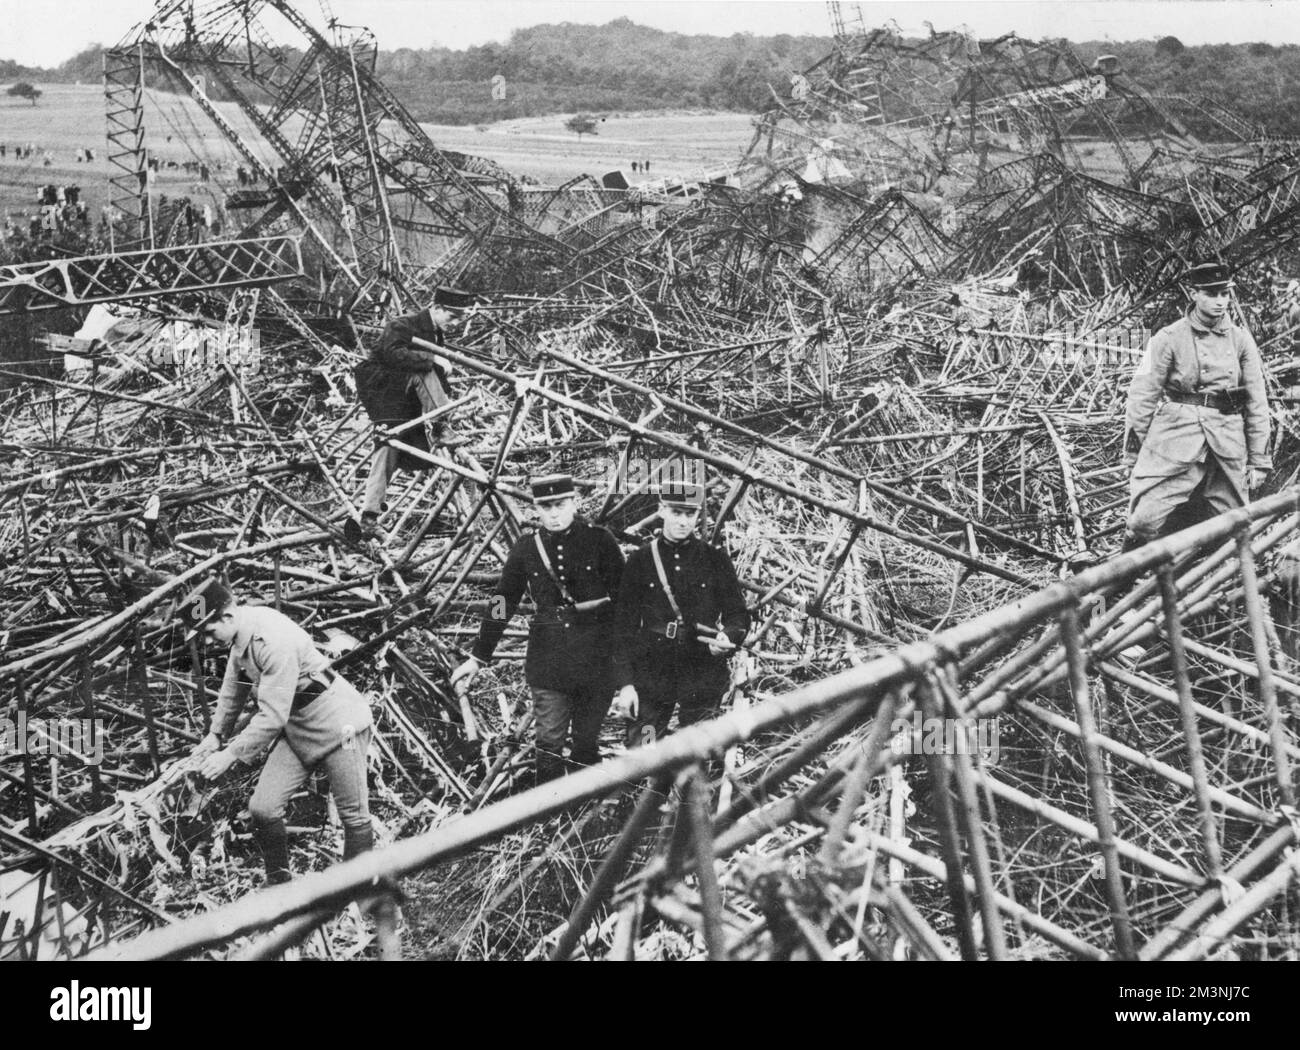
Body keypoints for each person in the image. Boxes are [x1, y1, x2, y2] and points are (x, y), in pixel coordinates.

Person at [183, 577, 374, 885]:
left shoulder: (271, 639)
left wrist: (230, 754)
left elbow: (271, 716)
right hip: (299, 727)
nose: (207, 642)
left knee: (353, 814)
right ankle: (280, 887)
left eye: (208, 632)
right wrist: (216, 734)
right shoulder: (241, 635)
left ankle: (360, 893)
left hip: (342, 724)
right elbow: (234, 688)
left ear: (227, 617)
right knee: (263, 808)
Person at [451, 475, 625, 783]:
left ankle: (582, 815)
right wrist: (478, 656)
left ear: (575, 502)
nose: (554, 514)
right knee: (549, 743)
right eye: (546, 507)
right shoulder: (527, 548)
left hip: (597, 661)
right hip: (549, 662)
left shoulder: (600, 541)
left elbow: (626, 604)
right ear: (536, 510)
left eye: (560, 505)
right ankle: (550, 815)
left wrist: (627, 673)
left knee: (586, 744)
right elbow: (502, 601)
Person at [1123, 261, 1271, 550]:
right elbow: (1142, 395)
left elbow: (1256, 402)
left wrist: (1259, 459)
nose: (1220, 302)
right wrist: (1133, 452)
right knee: (1143, 521)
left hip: (1227, 441)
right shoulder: (1167, 338)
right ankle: (1125, 578)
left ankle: (1211, 583)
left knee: (1232, 526)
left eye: (1225, 294)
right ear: (1193, 293)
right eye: (1211, 293)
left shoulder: (1241, 342)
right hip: (1175, 438)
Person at [611, 482, 749, 745]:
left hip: (701, 669)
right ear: (662, 510)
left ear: (698, 515)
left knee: (695, 753)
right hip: (652, 670)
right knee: (644, 748)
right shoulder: (641, 561)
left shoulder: (714, 560)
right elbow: (622, 627)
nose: (683, 521)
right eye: (676, 512)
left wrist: (728, 637)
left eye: (690, 514)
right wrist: (626, 684)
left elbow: (738, 615)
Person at [351, 288, 472, 541]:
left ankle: (369, 518)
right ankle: (441, 426)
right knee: (425, 371)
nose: (456, 324)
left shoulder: (435, 334)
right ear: (436, 308)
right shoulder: (403, 324)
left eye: (460, 319)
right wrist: (434, 358)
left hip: (404, 396)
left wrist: (438, 367)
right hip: (382, 387)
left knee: (388, 448)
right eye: (452, 317)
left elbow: (434, 374)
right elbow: (392, 355)